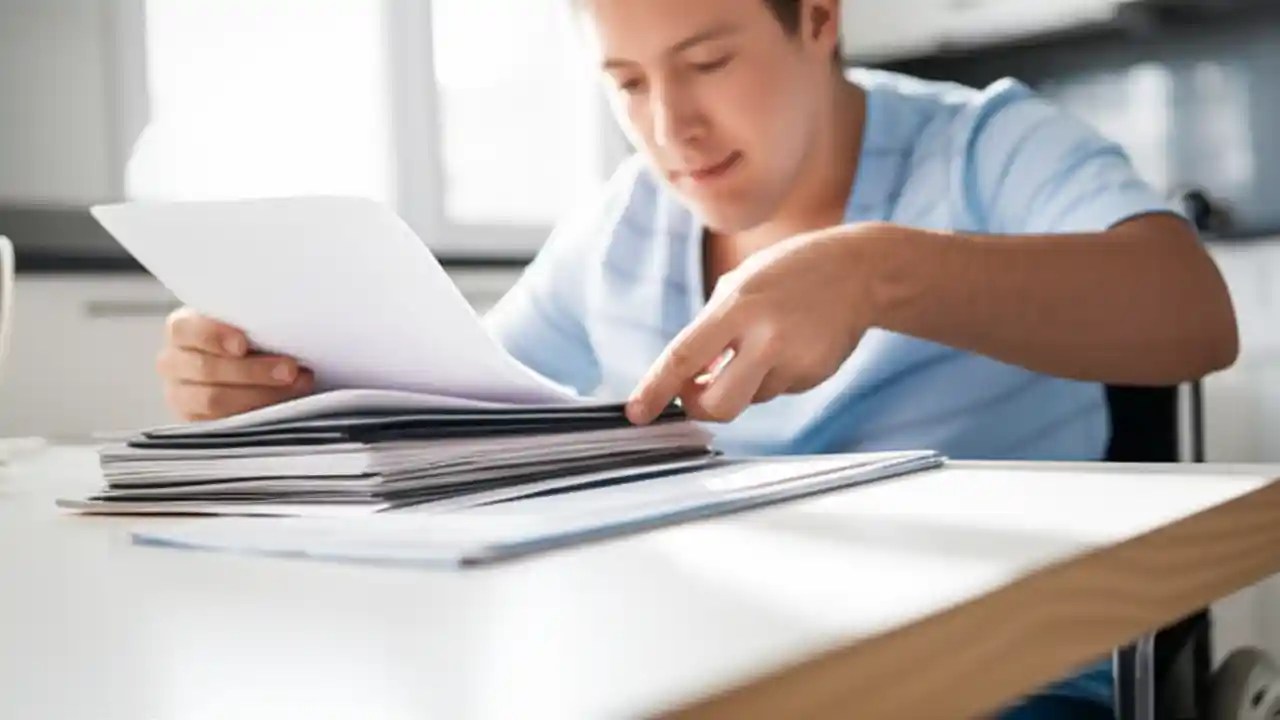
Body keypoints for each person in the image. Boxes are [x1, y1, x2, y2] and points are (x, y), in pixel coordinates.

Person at [154, 0, 1239, 715]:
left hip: (997, 673)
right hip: (714, 666)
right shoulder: (623, 224)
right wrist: (289, 389)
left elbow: (1191, 314)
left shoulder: (985, 147)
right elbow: (457, 407)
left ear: (817, 19)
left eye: (707, 61)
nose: (669, 124)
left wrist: (873, 272)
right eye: (625, 83)